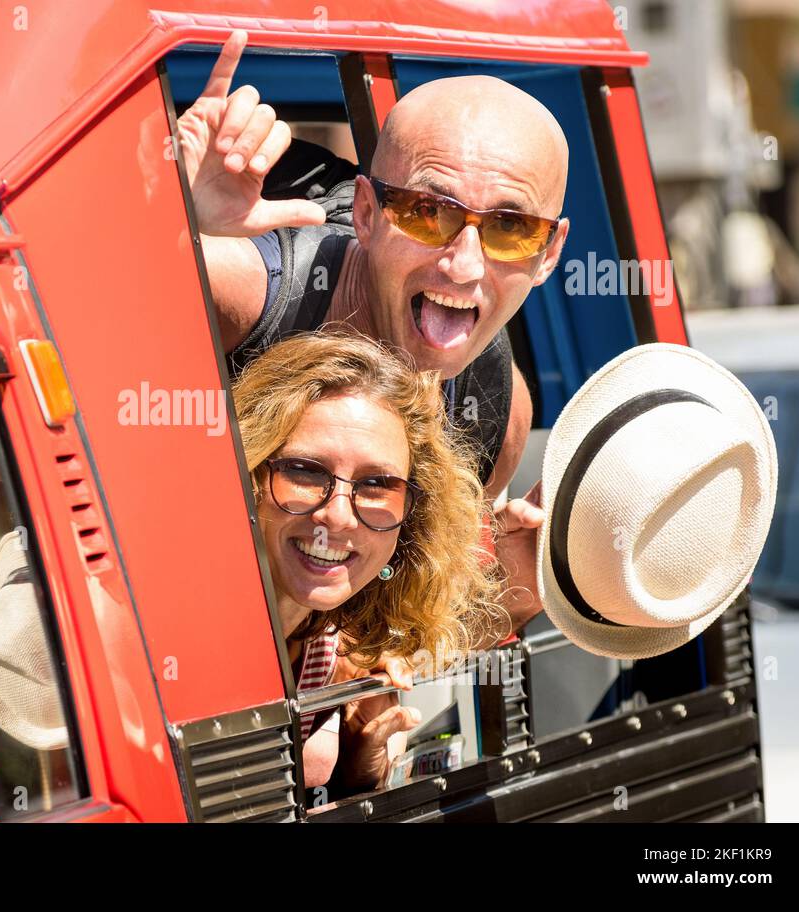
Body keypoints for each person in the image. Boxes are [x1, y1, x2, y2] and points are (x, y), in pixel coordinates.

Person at [179, 31, 565, 634]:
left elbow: (406, 621)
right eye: (428, 212)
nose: (463, 265)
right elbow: (42, 307)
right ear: (364, 212)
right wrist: (174, 228)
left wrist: (511, 593)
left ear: (549, 253)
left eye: (510, 228)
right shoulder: (250, 296)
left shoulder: (495, 409)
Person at [233, 332, 503, 791]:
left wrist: (357, 772)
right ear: (248, 471)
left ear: (412, 518)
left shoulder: (331, 650)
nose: (335, 516)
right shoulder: (181, 648)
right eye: (304, 470)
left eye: (377, 484)